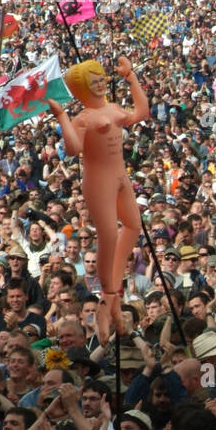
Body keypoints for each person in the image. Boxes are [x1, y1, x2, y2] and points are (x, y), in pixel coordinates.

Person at [48, 57, 148, 341]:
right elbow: (72, 149)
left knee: (132, 226)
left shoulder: (114, 107)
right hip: (99, 181)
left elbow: (141, 112)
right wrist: (63, 118)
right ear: (82, 88)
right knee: (108, 237)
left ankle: (111, 296)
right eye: (95, 82)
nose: (101, 84)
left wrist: (131, 77)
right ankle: (110, 304)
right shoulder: (83, 118)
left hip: (120, 176)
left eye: (102, 78)